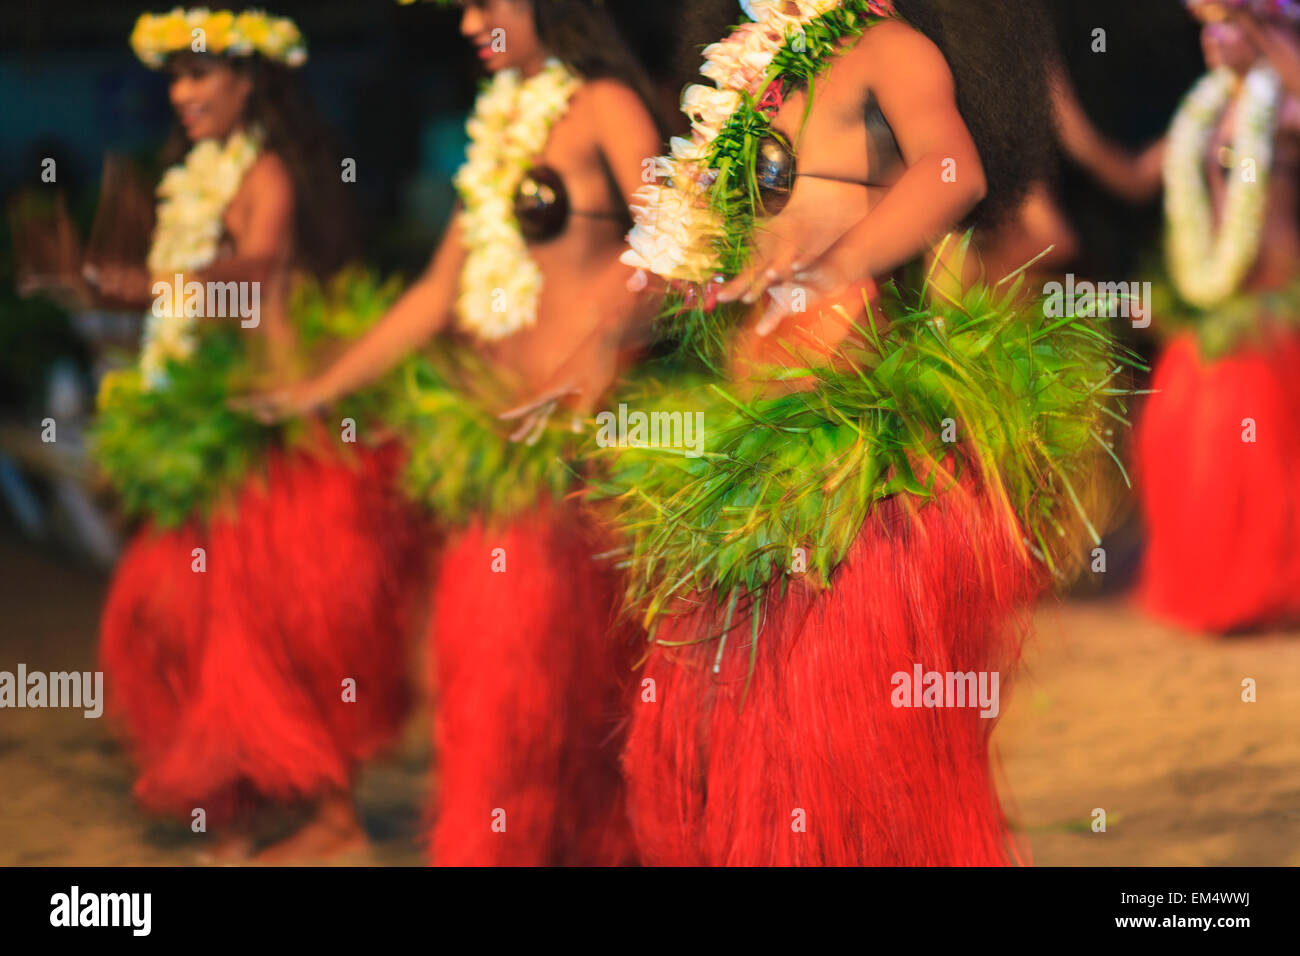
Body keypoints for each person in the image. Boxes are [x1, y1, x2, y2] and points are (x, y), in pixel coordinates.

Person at [599, 0, 1131, 865]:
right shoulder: (754, 77)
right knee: (754, 730)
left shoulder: (889, 48)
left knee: (846, 728)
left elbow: (953, 171)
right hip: (760, 430)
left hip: (847, 429)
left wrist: (827, 269)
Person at [243, 0, 664, 865]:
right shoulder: (499, 123)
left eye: (488, 1)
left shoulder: (604, 105)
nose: (471, 19)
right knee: (488, 680)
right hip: (497, 446)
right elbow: (439, 290)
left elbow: (674, 240)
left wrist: (599, 351)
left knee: (571, 688)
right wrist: (322, 383)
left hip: (579, 454)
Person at [83, 9, 423, 862]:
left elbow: (253, 267)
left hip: (284, 442)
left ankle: (331, 825)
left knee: (274, 640)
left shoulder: (263, 170)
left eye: (199, 74)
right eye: (176, 77)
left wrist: (153, 282)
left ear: (250, 78)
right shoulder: (199, 174)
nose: (182, 92)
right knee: (194, 631)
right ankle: (240, 817)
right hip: (224, 431)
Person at [1061, 0, 1300, 633]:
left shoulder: (1283, 106)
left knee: (1262, 451)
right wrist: (1070, 128)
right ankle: (1224, 589)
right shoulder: (1200, 114)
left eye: (1230, 29)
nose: (1215, 41)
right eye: (1209, 31)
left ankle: (1270, 587)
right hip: (1210, 301)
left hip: (1271, 306)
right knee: (1181, 438)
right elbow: (1137, 179)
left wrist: (1260, 22)